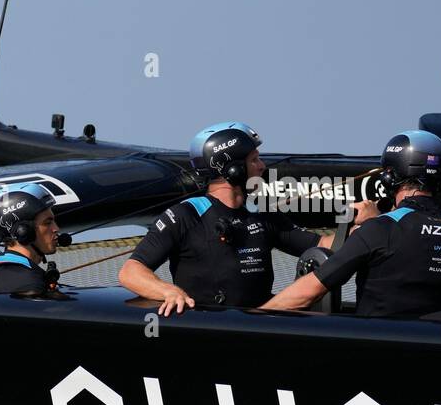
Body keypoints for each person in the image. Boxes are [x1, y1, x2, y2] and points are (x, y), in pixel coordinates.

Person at [118, 122, 330, 315]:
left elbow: (322, 244)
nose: (262, 166)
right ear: (233, 168)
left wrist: (359, 228)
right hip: (208, 331)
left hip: (261, 327)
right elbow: (130, 272)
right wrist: (168, 292)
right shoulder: (185, 215)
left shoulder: (262, 213)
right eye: (254, 159)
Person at [262, 130, 441, 316]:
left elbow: (309, 291)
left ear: (389, 178)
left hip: (378, 347)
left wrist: (254, 318)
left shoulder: (381, 229)